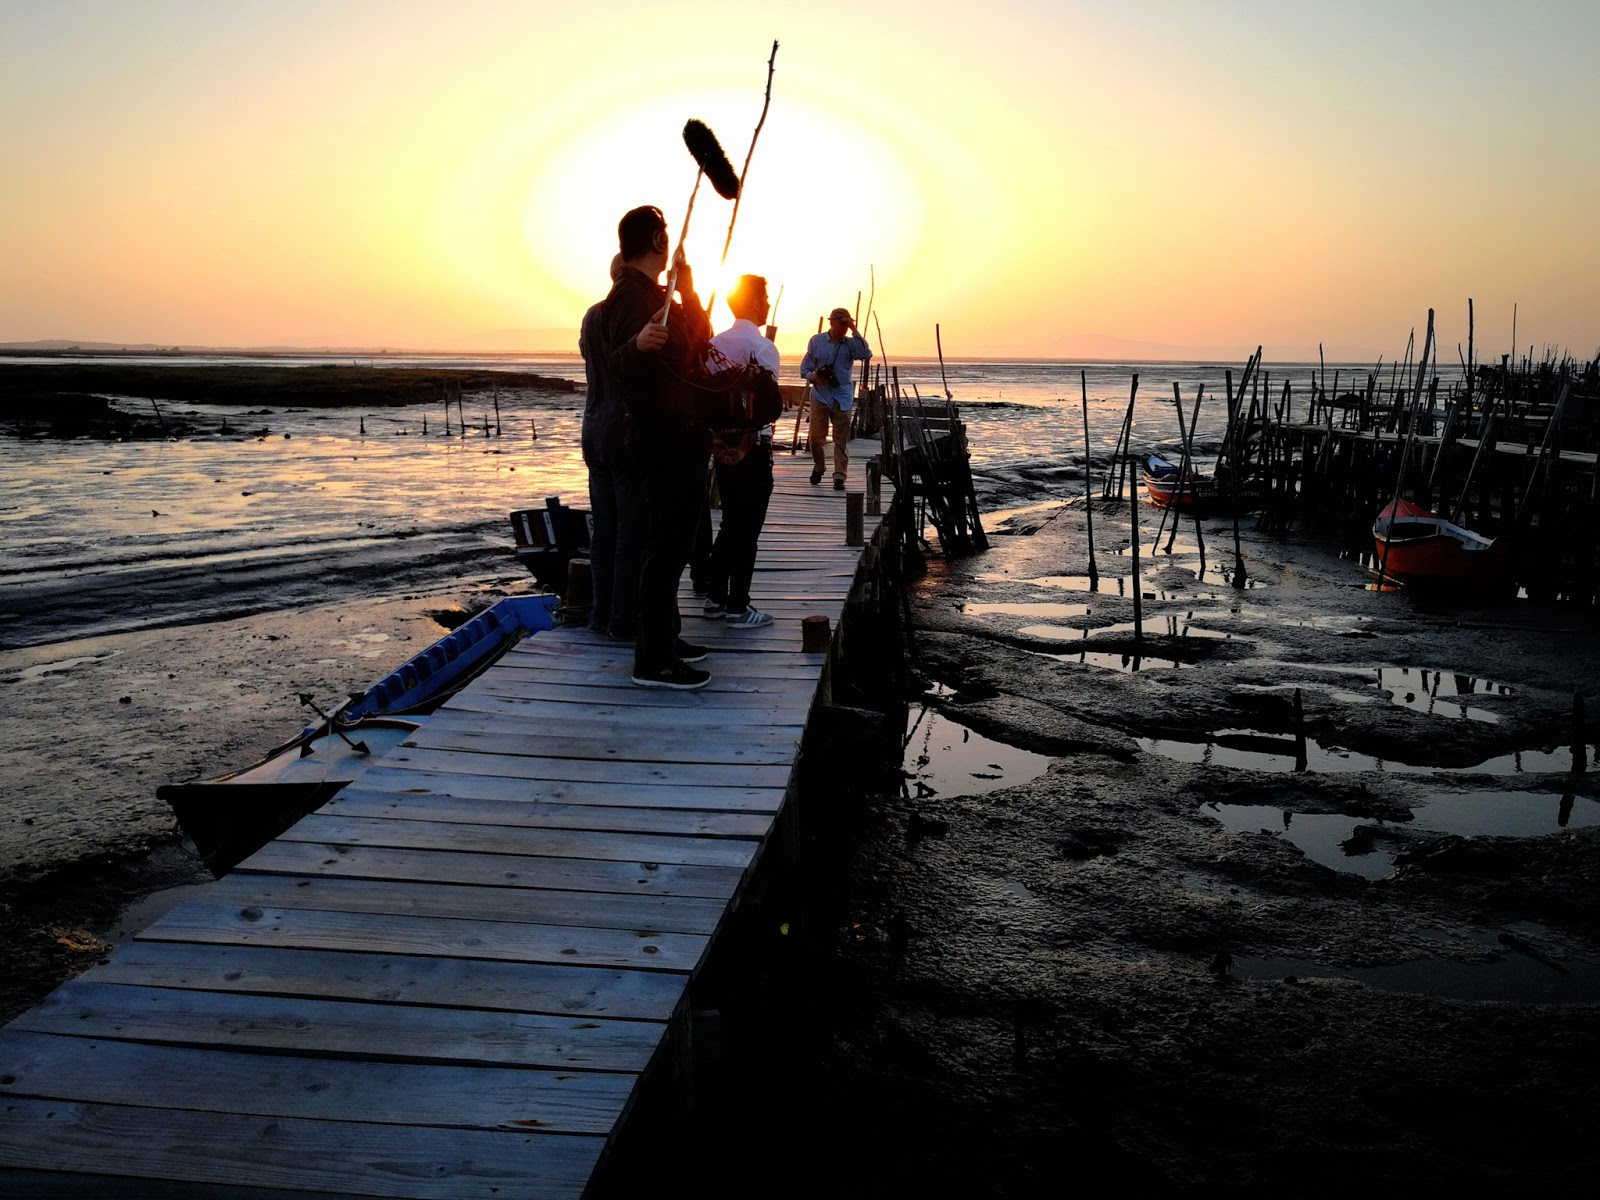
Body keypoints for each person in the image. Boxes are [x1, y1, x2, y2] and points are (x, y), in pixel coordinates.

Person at [600, 205, 715, 690]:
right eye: (664, 235)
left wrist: (687, 288)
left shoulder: (656, 293)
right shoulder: (627, 297)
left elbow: (698, 343)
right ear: (655, 241)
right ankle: (652, 660)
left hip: (681, 437)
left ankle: (665, 635)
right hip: (659, 439)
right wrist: (635, 347)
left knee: (675, 541)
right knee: (664, 547)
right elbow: (614, 368)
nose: (669, 241)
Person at [702, 274, 780, 629]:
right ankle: (738, 606)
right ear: (750, 303)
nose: (766, 304)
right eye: (762, 298)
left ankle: (715, 596)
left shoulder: (712, 344)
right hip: (753, 448)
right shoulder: (764, 348)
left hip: (721, 448)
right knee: (748, 529)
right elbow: (770, 408)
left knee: (730, 522)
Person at [579, 254, 640, 642]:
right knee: (630, 532)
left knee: (603, 530)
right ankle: (622, 620)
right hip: (622, 431)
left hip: (593, 427)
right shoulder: (626, 313)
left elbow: (589, 358)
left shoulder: (590, 315)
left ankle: (599, 615)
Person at [799, 306, 872, 489]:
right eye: (841, 324)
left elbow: (865, 354)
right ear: (831, 322)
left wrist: (855, 330)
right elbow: (805, 367)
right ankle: (819, 466)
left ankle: (839, 476)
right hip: (820, 395)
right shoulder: (817, 341)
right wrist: (812, 376)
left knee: (841, 439)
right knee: (816, 437)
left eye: (847, 325)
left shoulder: (851, 344)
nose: (844, 328)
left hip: (842, 396)